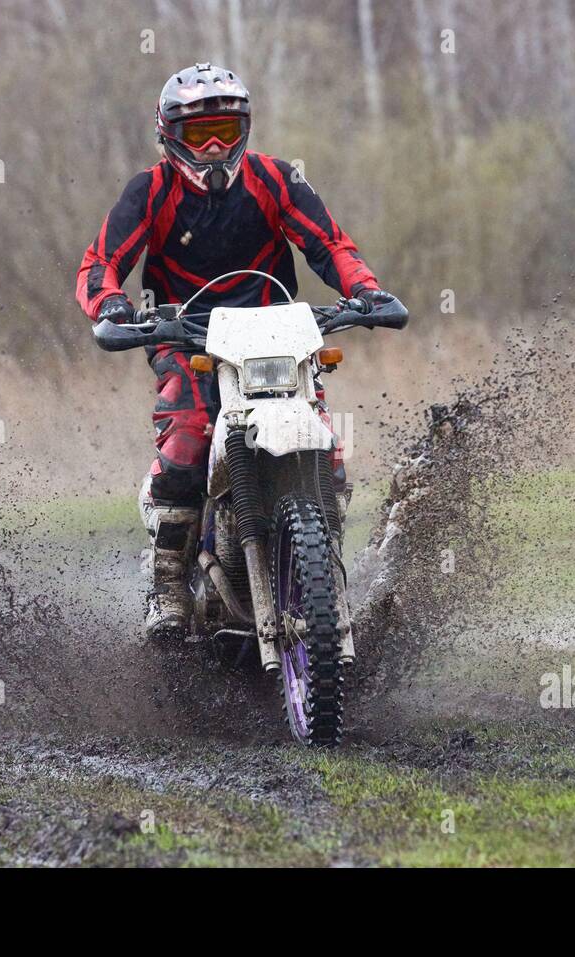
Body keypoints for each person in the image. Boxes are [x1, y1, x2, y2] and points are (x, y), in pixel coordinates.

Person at [76, 62, 401, 639]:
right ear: (171, 134)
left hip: (278, 333)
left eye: (228, 129)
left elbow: (328, 244)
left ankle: (318, 567)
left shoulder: (276, 179)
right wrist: (110, 306)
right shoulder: (149, 191)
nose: (217, 146)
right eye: (202, 135)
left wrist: (366, 291)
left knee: (324, 446)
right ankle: (168, 583)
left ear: (247, 127)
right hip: (187, 336)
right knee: (189, 437)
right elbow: (99, 264)